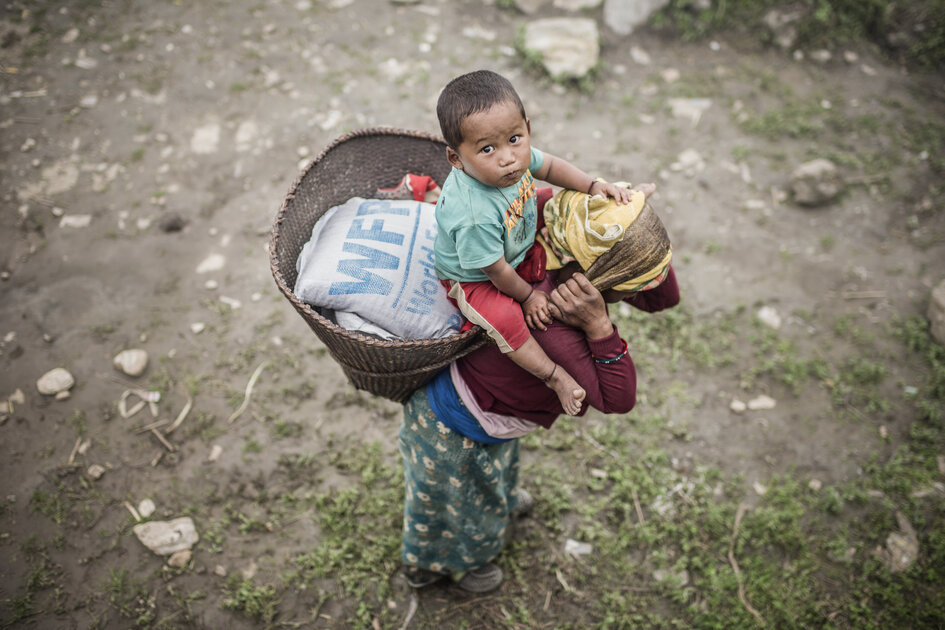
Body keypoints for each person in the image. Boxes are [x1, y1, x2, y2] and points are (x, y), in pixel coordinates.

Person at [400, 203, 681, 592]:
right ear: (597, 274)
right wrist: (600, 326)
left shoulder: (555, 240)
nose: (636, 291)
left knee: (489, 476)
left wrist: (639, 234)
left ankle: (497, 504)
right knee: (449, 500)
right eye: (629, 280)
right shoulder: (548, 319)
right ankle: (432, 565)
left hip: (496, 413)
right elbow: (617, 399)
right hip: (454, 424)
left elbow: (662, 298)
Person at [433, 69, 639, 417]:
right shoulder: (473, 214)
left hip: (514, 234)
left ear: (526, 127)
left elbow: (552, 166)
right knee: (506, 319)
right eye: (487, 149)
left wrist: (592, 187)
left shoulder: (514, 160)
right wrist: (528, 296)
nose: (507, 157)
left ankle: (631, 206)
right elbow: (495, 270)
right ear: (456, 159)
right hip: (476, 276)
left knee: (556, 200)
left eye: (514, 139)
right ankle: (554, 376)